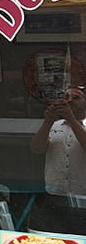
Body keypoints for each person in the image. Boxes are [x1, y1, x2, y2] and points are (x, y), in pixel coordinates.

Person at [29, 86, 86, 234]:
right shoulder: (53, 126)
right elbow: (36, 149)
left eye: (76, 98)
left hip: (83, 197)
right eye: (67, 97)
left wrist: (72, 119)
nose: (70, 100)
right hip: (54, 196)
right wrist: (47, 122)